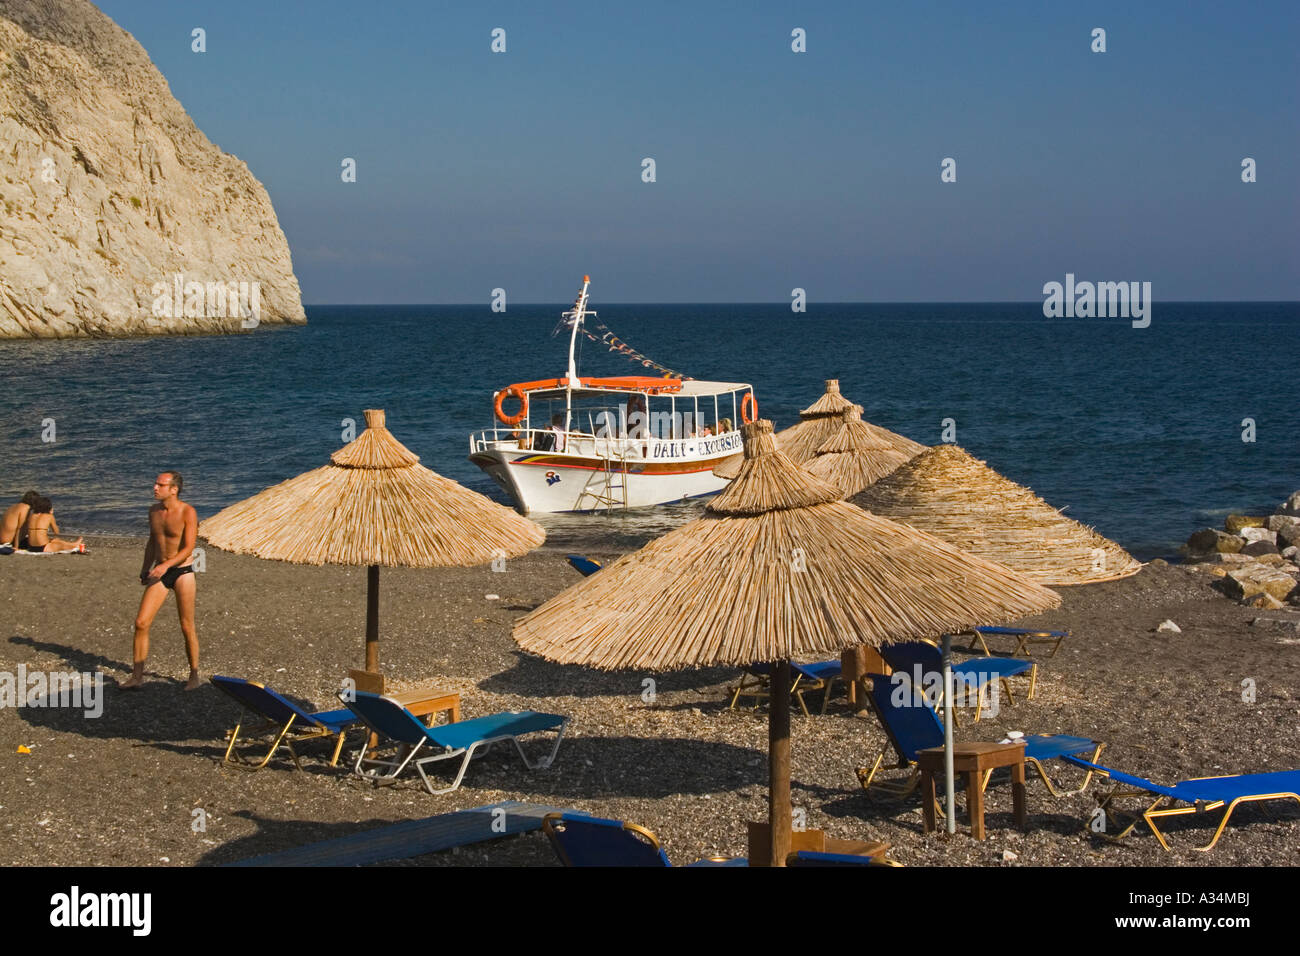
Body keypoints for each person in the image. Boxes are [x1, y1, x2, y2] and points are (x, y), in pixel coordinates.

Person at [121, 472, 200, 690]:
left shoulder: (187, 512)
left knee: (186, 625)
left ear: (173, 489)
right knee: (141, 623)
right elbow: (152, 542)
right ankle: (137, 676)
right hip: (160, 572)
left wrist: (166, 565)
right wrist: (145, 568)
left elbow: (188, 548)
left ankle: (194, 675)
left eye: (160, 484)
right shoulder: (153, 511)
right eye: (155, 484)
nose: (155, 487)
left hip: (182, 572)